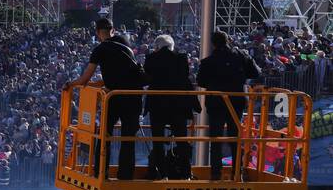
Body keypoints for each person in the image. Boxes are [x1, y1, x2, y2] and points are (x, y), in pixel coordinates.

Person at [69, 17, 147, 180]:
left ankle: (100, 172)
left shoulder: (100, 49)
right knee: (128, 137)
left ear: (98, 33)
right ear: (113, 30)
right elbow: (122, 72)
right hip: (133, 96)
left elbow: (84, 79)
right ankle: (126, 174)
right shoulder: (125, 42)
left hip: (114, 97)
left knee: (105, 135)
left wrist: (71, 84)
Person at [195, 30, 262, 181]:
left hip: (216, 103)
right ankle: (237, 172)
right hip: (236, 102)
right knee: (235, 138)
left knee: (216, 139)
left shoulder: (208, 62)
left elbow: (201, 81)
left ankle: (215, 173)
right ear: (228, 40)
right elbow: (256, 73)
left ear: (213, 43)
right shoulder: (241, 56)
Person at [143, 33, 199, 180]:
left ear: (157, 47)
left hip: (157, 105)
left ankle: (161, 173)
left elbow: (146, 77)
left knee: (158, 141)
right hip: (178, 106)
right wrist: (195, 105)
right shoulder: (181, 59)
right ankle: (186, 172)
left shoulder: (151, 59)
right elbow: (185, 79)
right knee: (182, 140)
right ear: (172, 46)